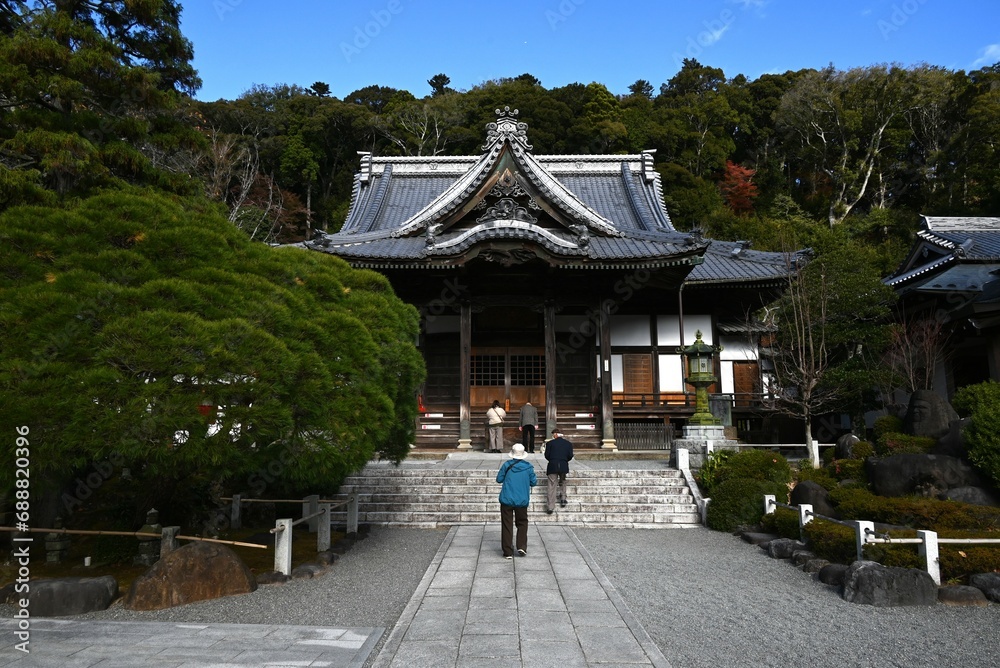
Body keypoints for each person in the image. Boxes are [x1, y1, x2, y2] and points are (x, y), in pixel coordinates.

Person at [496, 443, 537, 558]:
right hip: (522, 500)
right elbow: (534, 482)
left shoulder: (506, 465)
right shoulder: (528, 467)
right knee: (522, 523)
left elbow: (499, 479)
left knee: (507, 525)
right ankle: (521, 546)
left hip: (507, 499)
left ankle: (507, 551)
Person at [544, 428, 573, 514]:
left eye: (553, 434)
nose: (553, 436)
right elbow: (570, 455)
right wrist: (564, 460)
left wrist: (553, 459)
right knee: (563, 481)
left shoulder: (549, 443)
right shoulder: (568, 444)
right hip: (563, 465)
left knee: (551, 485)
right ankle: (563, 498)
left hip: (553, 465)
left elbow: (547, 455)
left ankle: (550, 506)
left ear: (556, 434)